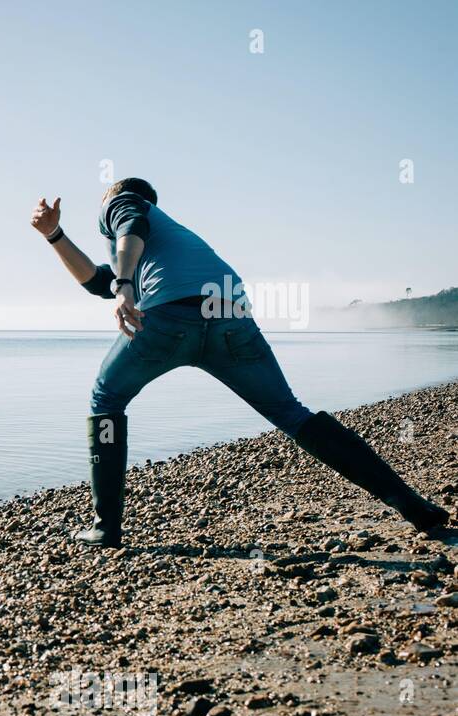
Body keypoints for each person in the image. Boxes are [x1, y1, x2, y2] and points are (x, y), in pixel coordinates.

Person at [30, 177, 448, 547]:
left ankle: (107, 527)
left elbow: (127, 231)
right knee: (290, 412)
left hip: (170, 318)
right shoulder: (164, 248)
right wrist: (56, 237)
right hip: (230, 315)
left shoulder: (125, 204)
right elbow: (97, 283)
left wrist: (124, 284)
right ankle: (411, 504)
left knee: (106, 398)